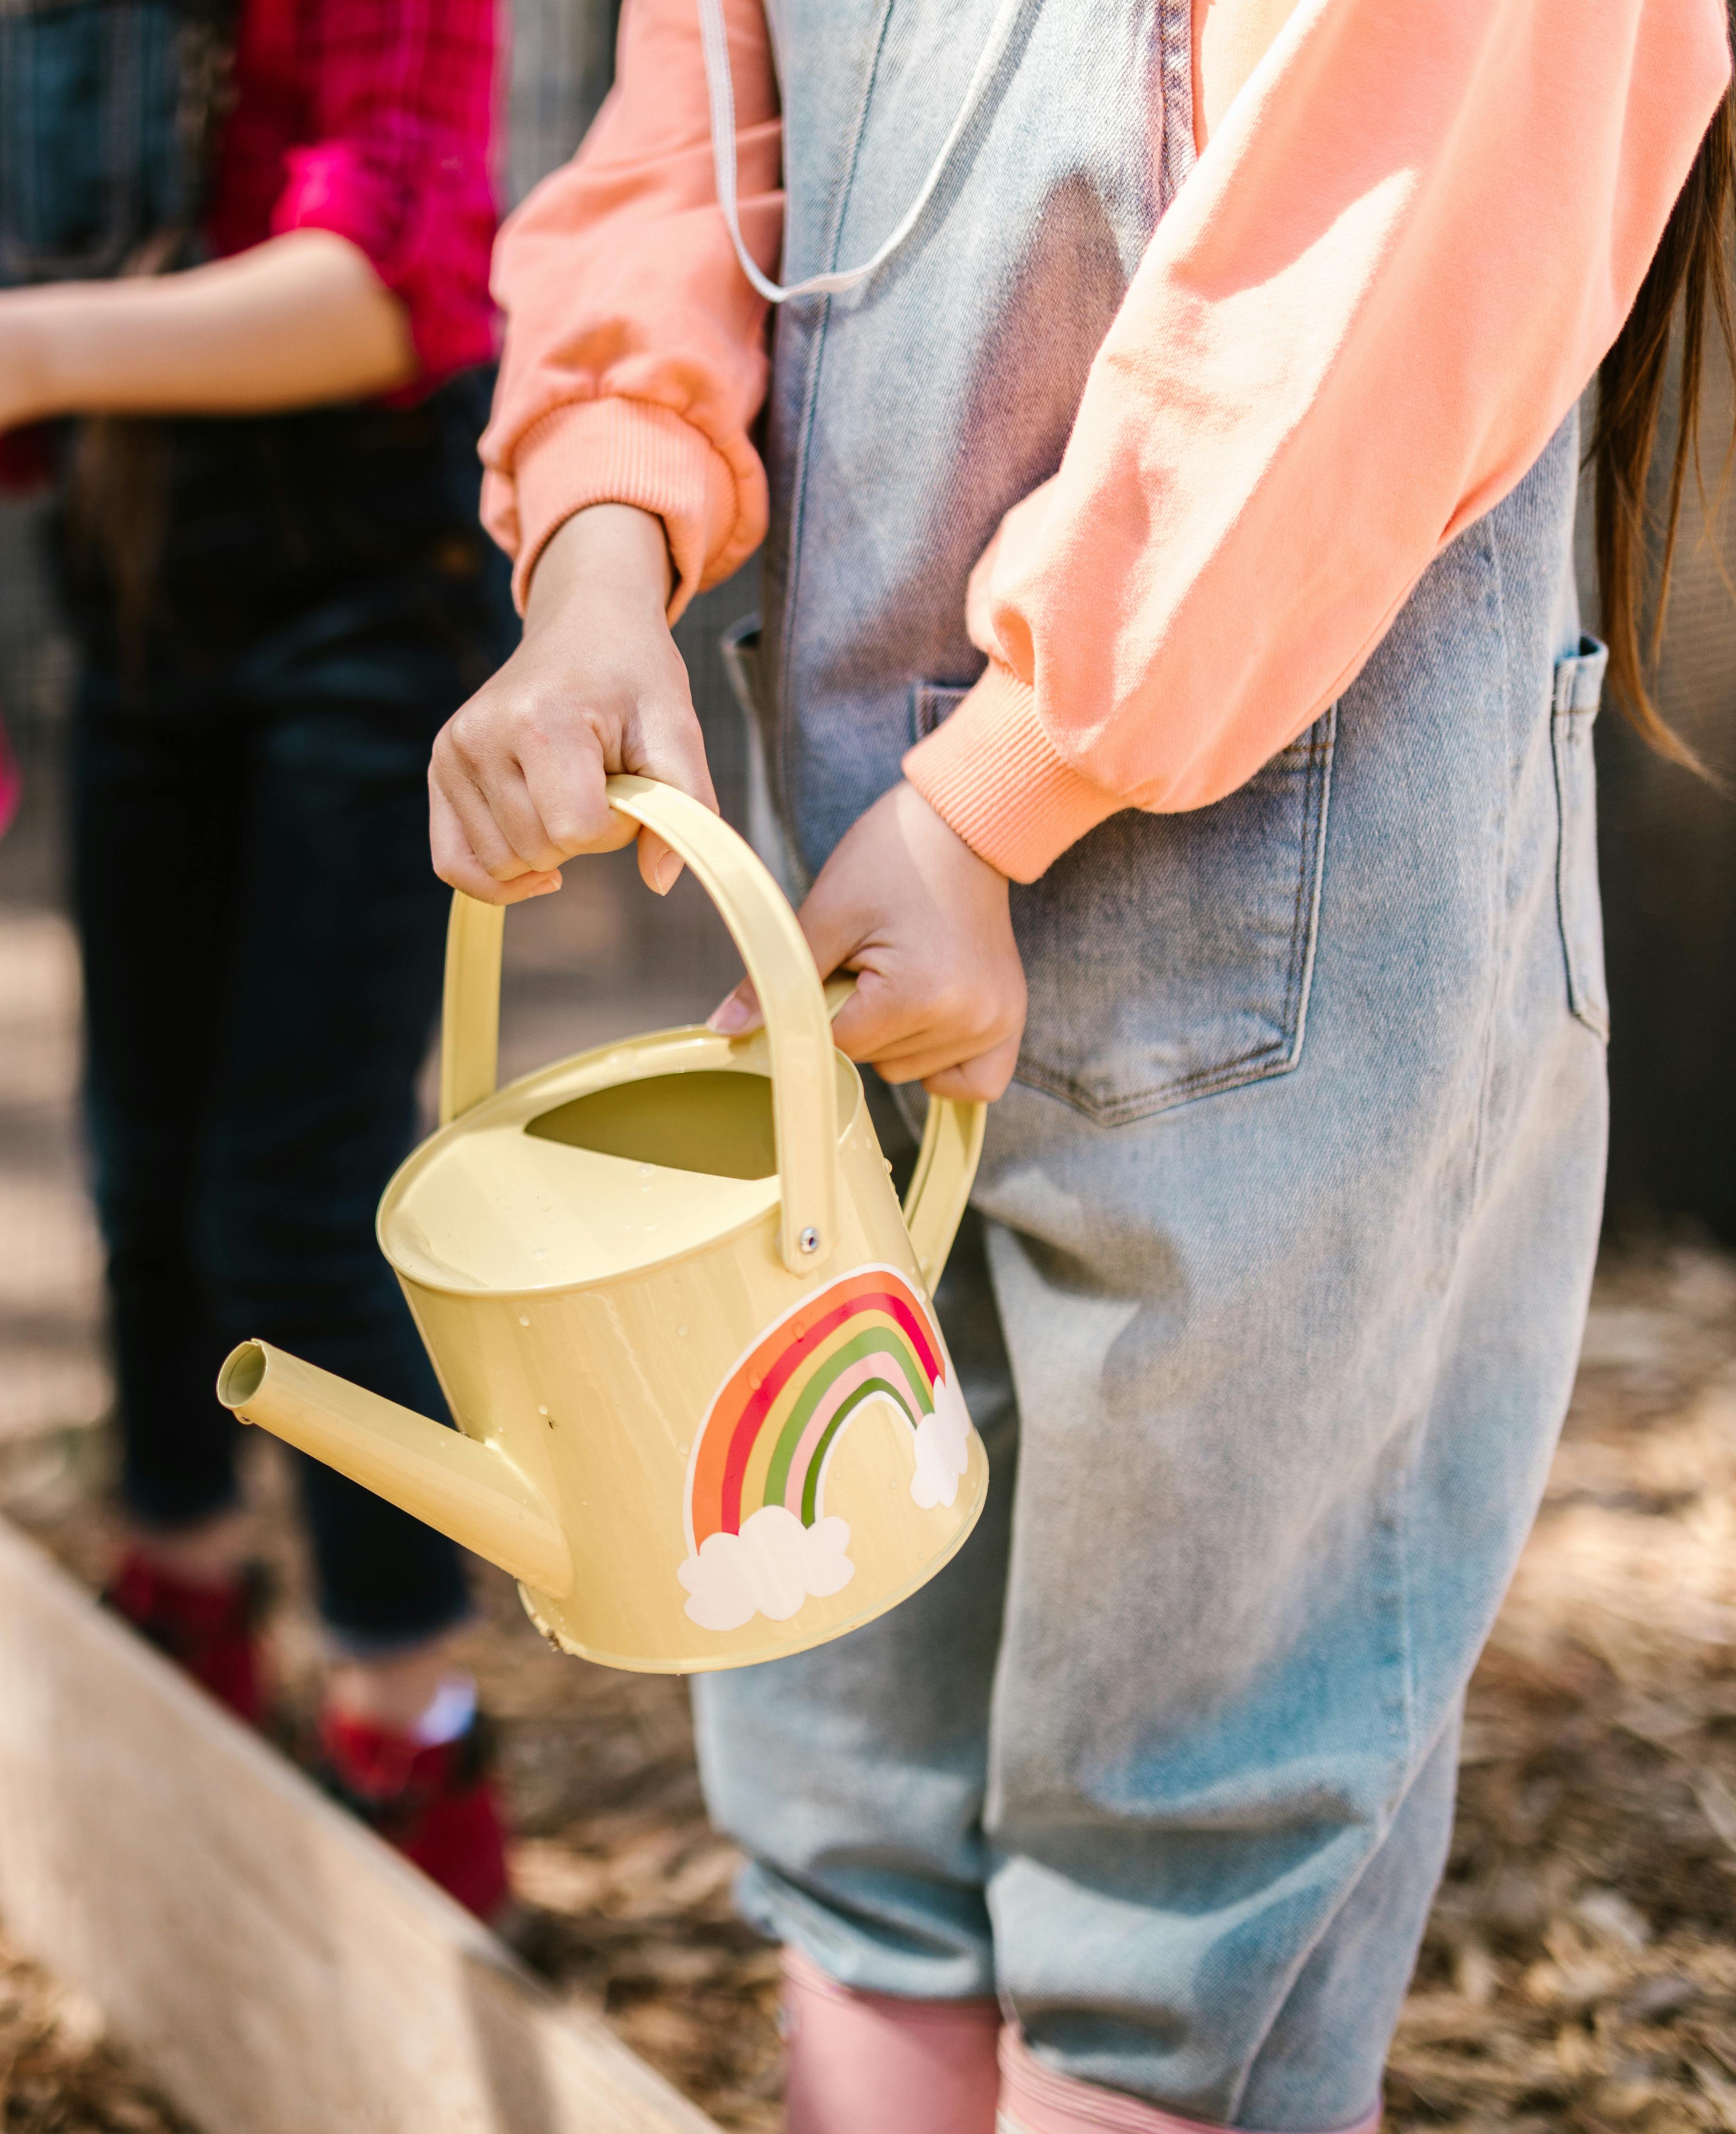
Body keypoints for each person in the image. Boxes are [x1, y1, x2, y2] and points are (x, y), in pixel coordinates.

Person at [429, 0, 1730, 2125]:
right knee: (846, 1698)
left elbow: (1364, 295)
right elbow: (685, 141)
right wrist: (595, 569)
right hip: (866, 876)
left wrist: (984, 806)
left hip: (1261, 909)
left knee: (1187, 1831)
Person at [0, 0, 520, 1916]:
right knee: (147, 1168)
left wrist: (8, 345)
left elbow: (394, 280)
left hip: (367, 601)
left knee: (301, 1192)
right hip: (133, 594)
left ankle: (406, 1734)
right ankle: (176, 1610)